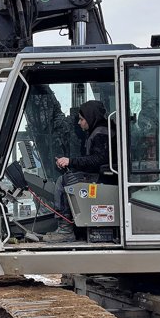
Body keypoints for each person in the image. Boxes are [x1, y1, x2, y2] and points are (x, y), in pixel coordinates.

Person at [47, 100, 111, 242]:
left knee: (63, 182)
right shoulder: (99, 131)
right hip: (102, 175)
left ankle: (65, 229)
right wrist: (71, 164)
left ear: (91, 117)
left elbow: (98, 159)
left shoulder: (101, 133)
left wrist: (71, 161)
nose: (79, 123)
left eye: (82, 119)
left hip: (103, 177)